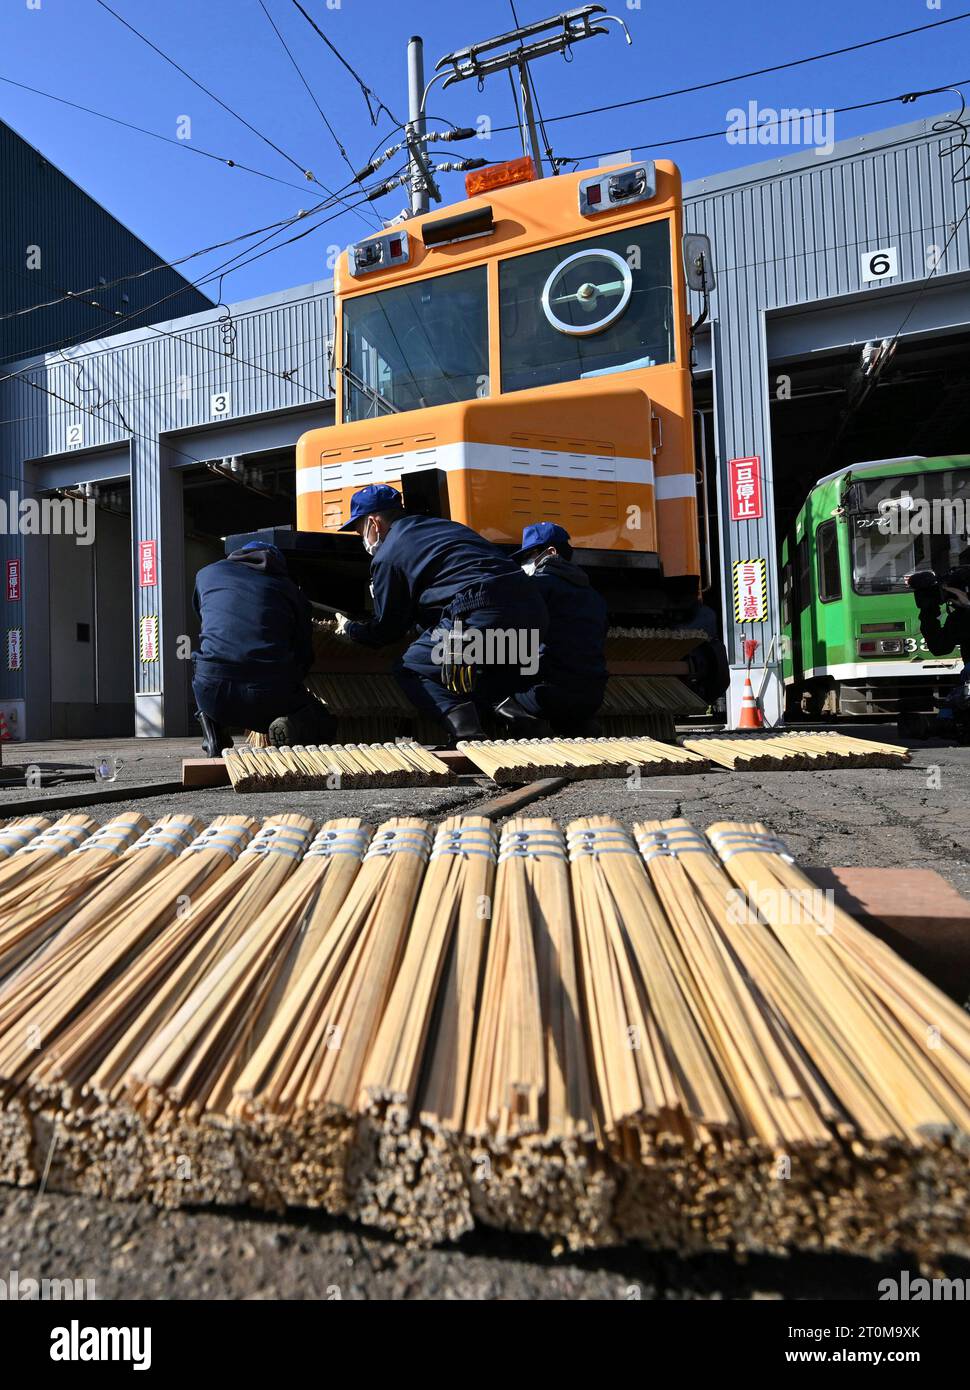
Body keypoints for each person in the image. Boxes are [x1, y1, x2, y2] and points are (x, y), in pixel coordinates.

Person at [334, 484, 548, 742]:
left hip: (480, 611)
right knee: (474, 668)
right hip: (532, 614)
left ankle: (468, 737)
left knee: (414, 667)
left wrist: (351, 630)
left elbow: (388, 629)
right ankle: (526, 726)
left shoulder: (388, 556)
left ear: (374, 523)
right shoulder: (445, 528)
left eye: (359, 531)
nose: (362, 539)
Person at [192, 540, 334, 756]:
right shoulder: (290, 590)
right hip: (269, 695)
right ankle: (293, 726)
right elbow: (304, 652)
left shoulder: (206, 574)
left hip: (211, 692)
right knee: (324, 723)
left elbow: (205, 619)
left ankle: (212, 732)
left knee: (209, 664)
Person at [495, 522, 609, 736]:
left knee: (485, 679)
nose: (525, 562)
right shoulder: (596, 597)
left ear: (551, 552)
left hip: (547, 695)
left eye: (530, 554)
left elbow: (511, 635)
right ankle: (580, 726)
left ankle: (529, 728)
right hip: (593, 698)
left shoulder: (535, 587)